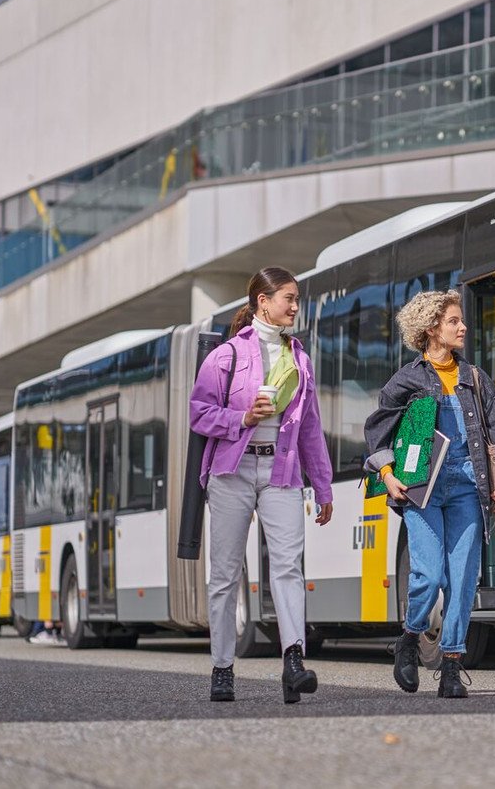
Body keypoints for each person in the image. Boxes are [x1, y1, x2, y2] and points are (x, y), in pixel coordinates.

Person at [365, 290, 495, 699]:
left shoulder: (475, 378)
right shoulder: (408, 379)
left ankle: (451, 666)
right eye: (454, 320)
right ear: (432, 327)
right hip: (422, 489)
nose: (463, 327)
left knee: (463, 580)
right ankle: (410, 637)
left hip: (469, 488)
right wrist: (387, 472)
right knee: (428, 573)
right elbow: (377, 429)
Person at [189, 266, 334, 704]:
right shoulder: (225, 356)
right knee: (225, 574)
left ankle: (293, 660)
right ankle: (222, 668)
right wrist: (242, 419)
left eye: (296, 298)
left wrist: (322, 487)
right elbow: (198, 413)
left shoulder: (300, 360)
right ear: (262, 302)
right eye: (287, 298)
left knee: (288, 566)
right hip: (232, 472)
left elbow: (310, 428)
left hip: (282, 472)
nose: (294, 305)